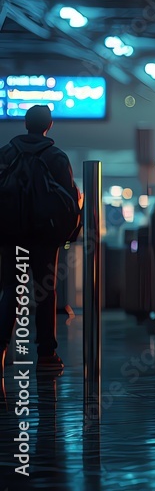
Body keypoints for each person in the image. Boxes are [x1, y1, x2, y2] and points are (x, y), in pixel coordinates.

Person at [0, 105, 80, 375]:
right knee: (45, 291)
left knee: (12, 289)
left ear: (24, 124)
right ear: (50, 125)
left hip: (10, 235)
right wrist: (69, 236)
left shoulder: (6, 153)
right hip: (45, 236)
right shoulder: (56, 156)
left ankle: (1, 348)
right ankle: (46, 353)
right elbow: (69, 200)